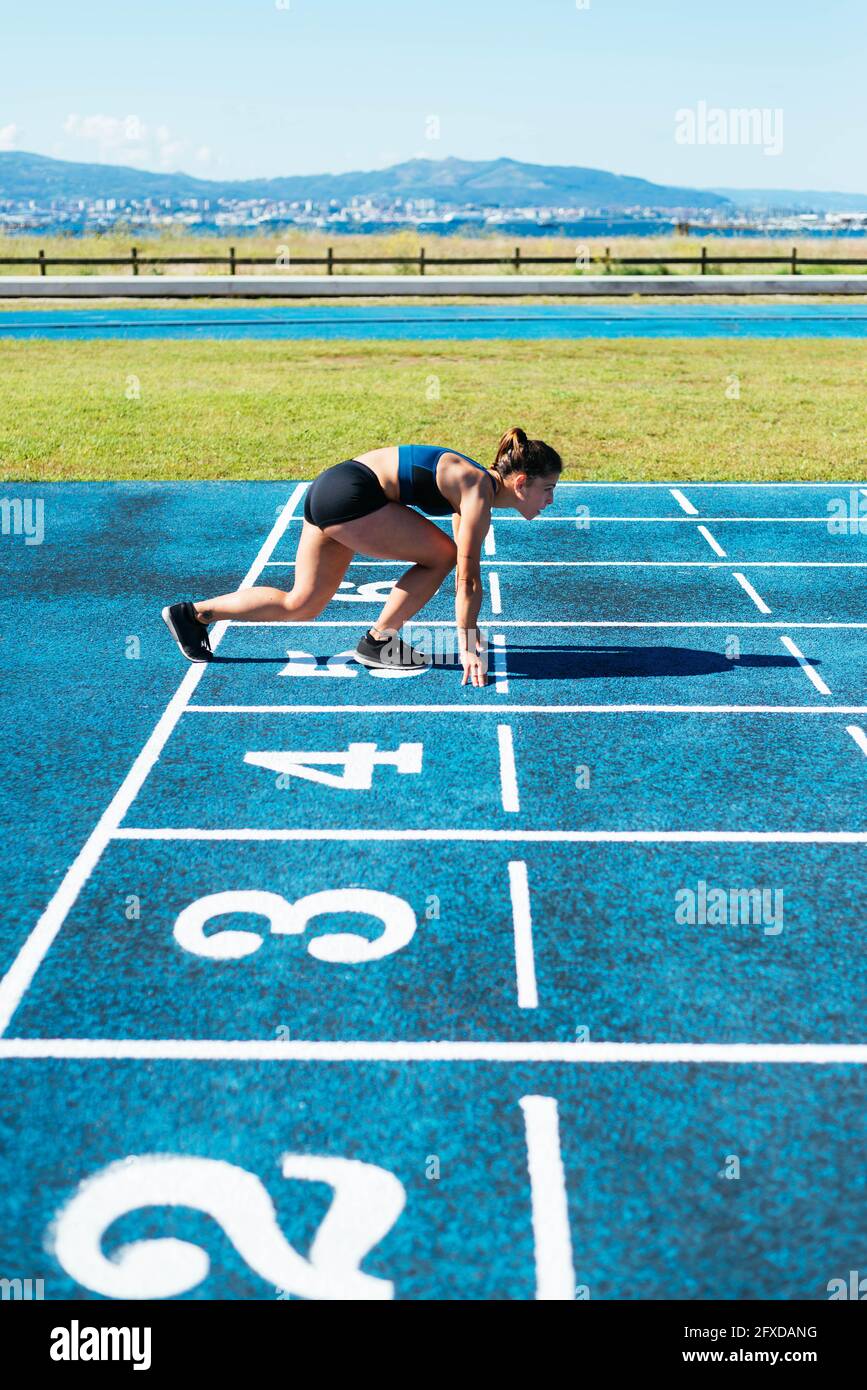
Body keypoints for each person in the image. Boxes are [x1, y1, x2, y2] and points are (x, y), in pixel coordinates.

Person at [162, 426, 562, 688]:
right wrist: (470, 644)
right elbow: (467, 578)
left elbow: (466, 571)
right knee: (443, 555)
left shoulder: (474, 486)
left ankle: (194, 614)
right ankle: (378, 641)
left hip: (332, 489)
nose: (551, 500)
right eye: (548, 489)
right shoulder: (476, 491)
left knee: (302, 603)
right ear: (521, 483)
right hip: (351, 493)